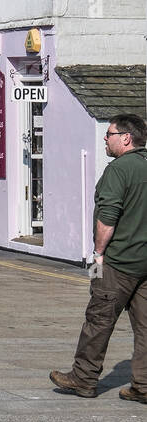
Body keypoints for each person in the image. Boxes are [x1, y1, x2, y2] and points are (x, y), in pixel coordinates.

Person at [50, 114, 147, 402]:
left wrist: (98, 254)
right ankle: (143, 385)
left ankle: (83, 378)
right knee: (145, 327)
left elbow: (108, 216)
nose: (105, 139)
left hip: (117, 262)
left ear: (125, 138)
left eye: (110, 134)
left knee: (98, 319)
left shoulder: (119, 169)